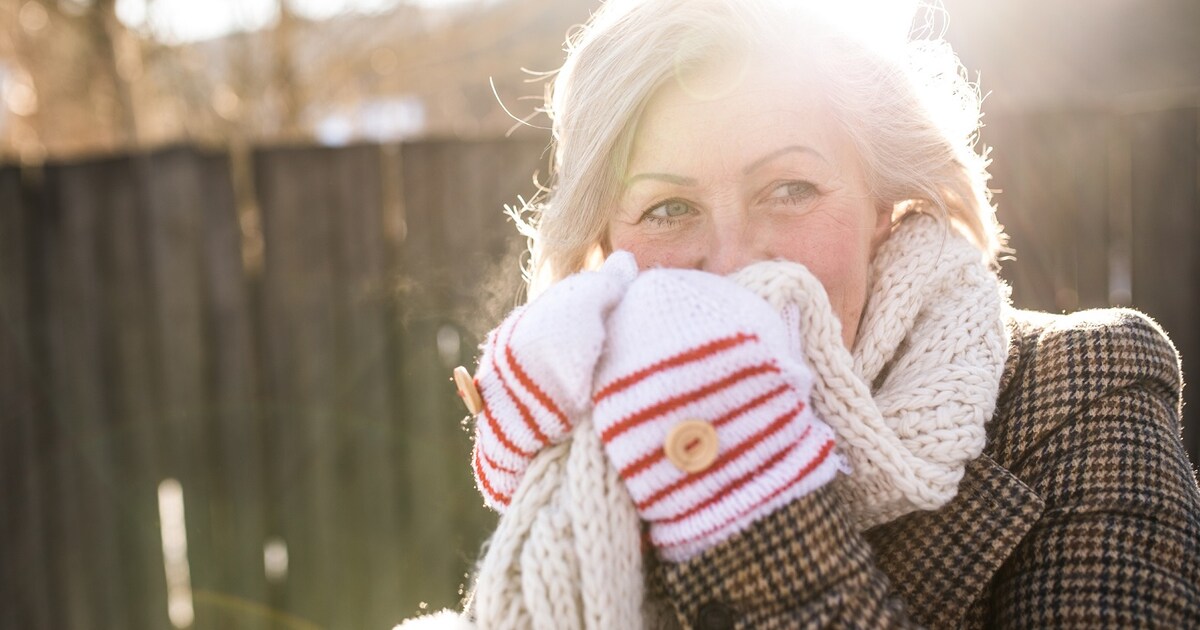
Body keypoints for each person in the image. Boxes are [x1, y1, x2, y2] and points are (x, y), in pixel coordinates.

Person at [402, 0, 1200, 628]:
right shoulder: (586, 461)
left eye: (790, 190)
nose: (736, 261)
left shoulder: (1085, 394)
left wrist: (722, 461)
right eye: (670, 207)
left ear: (881, 204)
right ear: (605, 241)